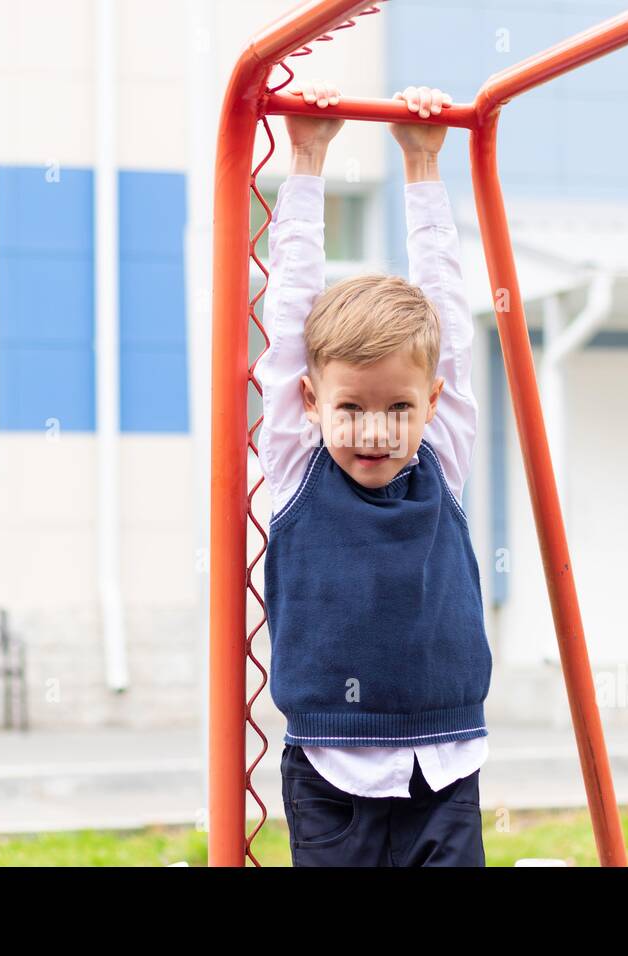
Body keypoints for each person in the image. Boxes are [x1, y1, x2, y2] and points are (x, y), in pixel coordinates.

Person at [257, 80, 492, 866]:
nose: (376, 430)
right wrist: (309, 156)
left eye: (400, 407)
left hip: (446, 765)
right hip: (331, 767)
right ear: (309, 402)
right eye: (351, 406)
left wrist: (423, 166)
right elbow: (291, 314)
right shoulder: (296, 465)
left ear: (432, 403)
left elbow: (450, 323)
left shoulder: (442, 456)